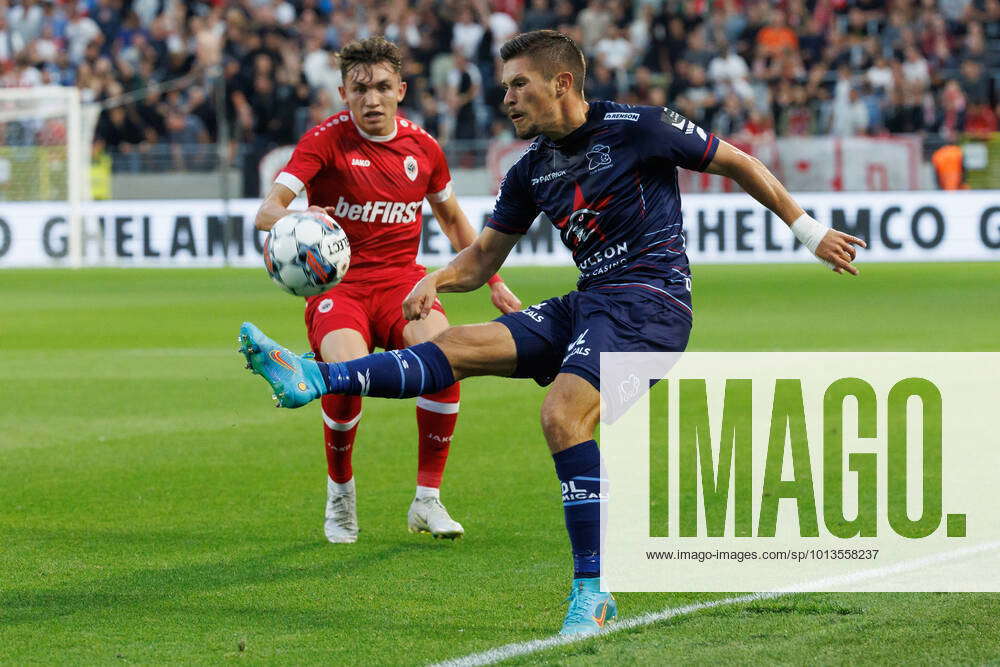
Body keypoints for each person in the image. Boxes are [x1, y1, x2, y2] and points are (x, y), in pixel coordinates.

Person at [240, 30, 865, 634]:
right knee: (450, 347)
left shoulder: (640, 127)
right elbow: (483, 256)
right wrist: (439, 279)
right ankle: (313, 377)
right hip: (592, 301)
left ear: (561, 83)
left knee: (561, 415)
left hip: (651, 303)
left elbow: (739, 162)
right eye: (504, 86)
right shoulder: (531, 170)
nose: (506, 98)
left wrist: (809, 232)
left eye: (518, 85)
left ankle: (592, 592)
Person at [252, 36, 522, 544]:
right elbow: (266, 213)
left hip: (402, 282)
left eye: (381, 88)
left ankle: (427, 499)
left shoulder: (423, 148)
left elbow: (453, 221)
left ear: (400, 89)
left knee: (445, 360)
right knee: (347, 377)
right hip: (343, 289)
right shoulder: (323, 142)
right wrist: (299, 213)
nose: (371, 99)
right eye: (360, 89)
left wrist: (495, 282)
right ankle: (340, 496)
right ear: (343, 93)